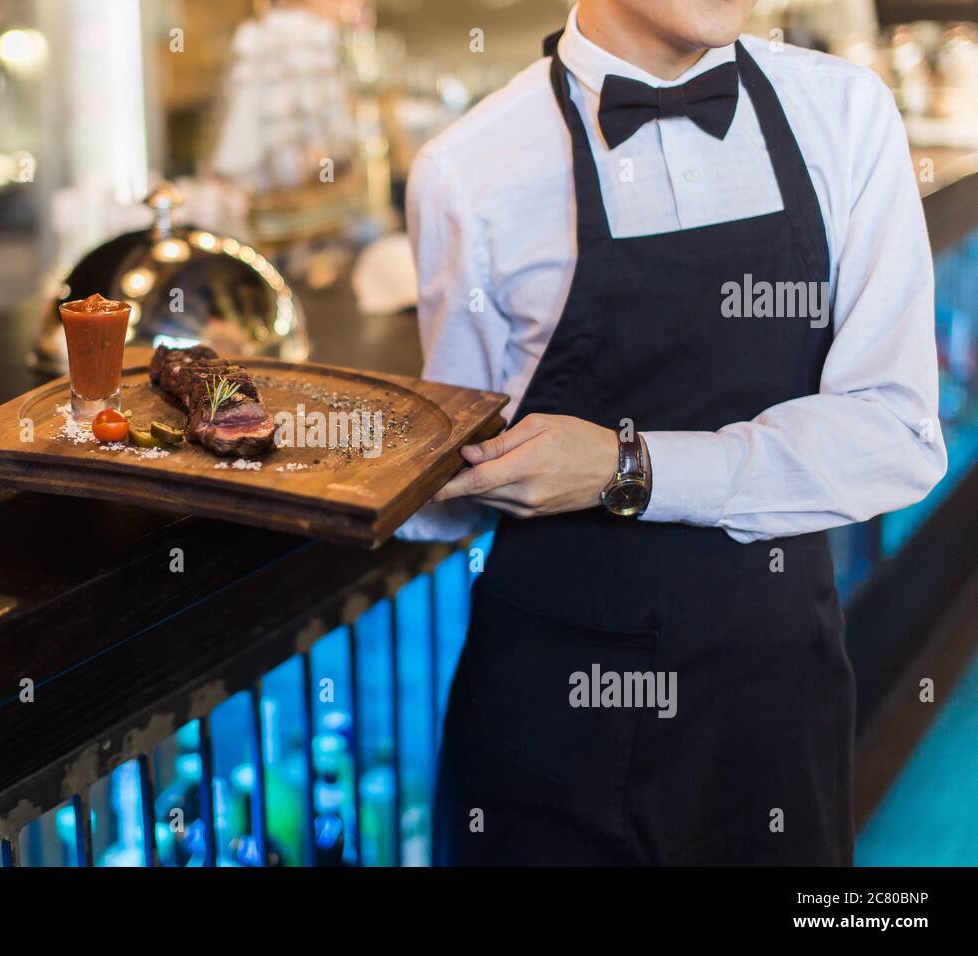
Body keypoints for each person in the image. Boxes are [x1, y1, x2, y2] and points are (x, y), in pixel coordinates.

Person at [403, 0, 947, 864]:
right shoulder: (468, 171)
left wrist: (630, 467)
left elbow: (897, 434)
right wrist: (346, 465)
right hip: (549, 721)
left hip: (773, 696)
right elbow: (456, 485)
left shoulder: (843, 113)